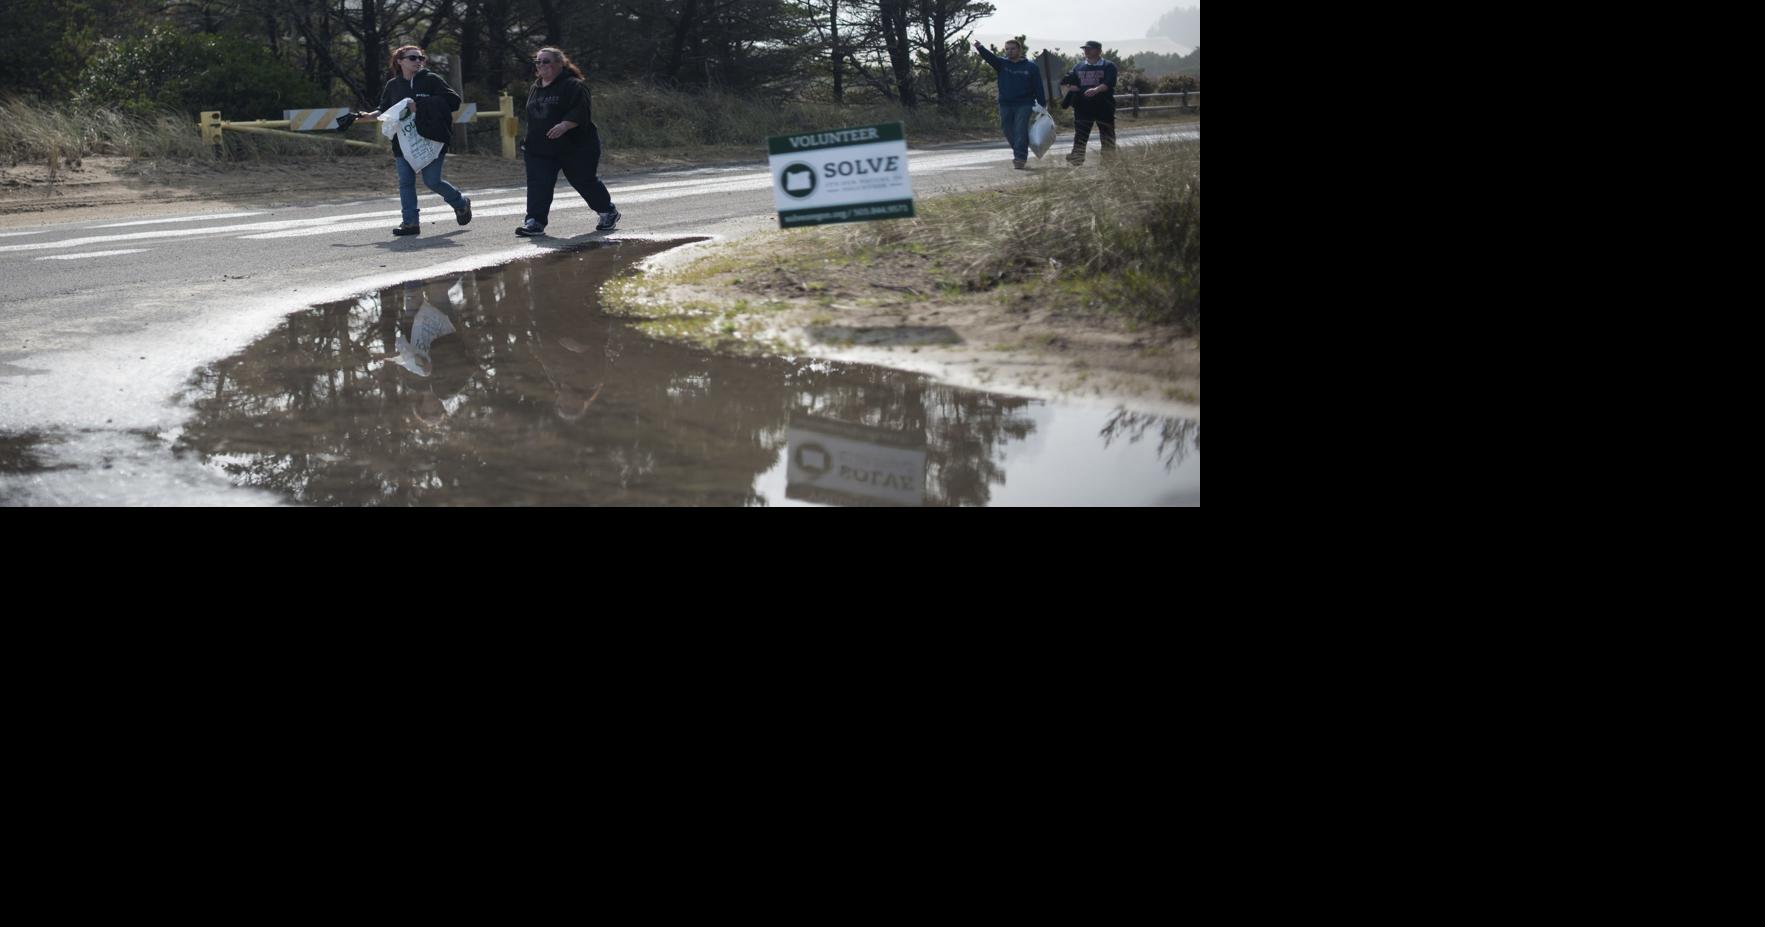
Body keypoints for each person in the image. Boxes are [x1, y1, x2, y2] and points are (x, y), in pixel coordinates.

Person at [364, 45, 472, 236]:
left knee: (432, 181)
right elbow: (384, 110)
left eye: (420, 58)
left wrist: (420, 105)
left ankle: (460, 202)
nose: (418, 61)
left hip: (432, 138)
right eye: (413, 58)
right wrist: (368, 115)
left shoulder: (431, 80)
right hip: (403, 142)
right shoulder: (393, 85)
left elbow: (454, 102)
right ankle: (410, 223)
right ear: (400, 61)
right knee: (406, 182)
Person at [516, 47, 620, 237]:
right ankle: (535, 222)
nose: (541, 65)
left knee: (583, 180)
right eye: (538, 62)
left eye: (546, 61)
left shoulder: (573, 85)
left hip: (576, 145)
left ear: (559, 64)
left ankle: (607, 212)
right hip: (541, 147)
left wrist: (565, 125)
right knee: (539, 183)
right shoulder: (536, 87)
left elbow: (582, 110)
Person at [971, 37, 1047, 169]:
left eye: (1012, 49)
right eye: (1007, 49)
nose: (1009, 51)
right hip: (1005, 103)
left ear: (1019, 50)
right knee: (1007, 130)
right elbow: (990, 58)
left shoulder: (1031, 66)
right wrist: (980, 48)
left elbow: (1038, 86)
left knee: (1020, 129)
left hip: (1024, 103)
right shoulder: (1002, 64)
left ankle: (1020, 157)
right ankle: (1019, 149)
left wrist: (1042, 105)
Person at [1061, 41, 1118, 166]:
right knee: (1081, 134)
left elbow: (1109, 83)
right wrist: (1070, 86)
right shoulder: (1078, 67)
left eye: (1089, 49)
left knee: (1107, 134)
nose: (1086, 51)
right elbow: (1069, 82)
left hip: (1104, 106)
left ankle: (1108, 160)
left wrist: (1096, 89)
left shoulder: (1109, 66)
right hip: (1082, 106)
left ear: (1099, 51)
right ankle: (1077, 158)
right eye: (1085, 49)